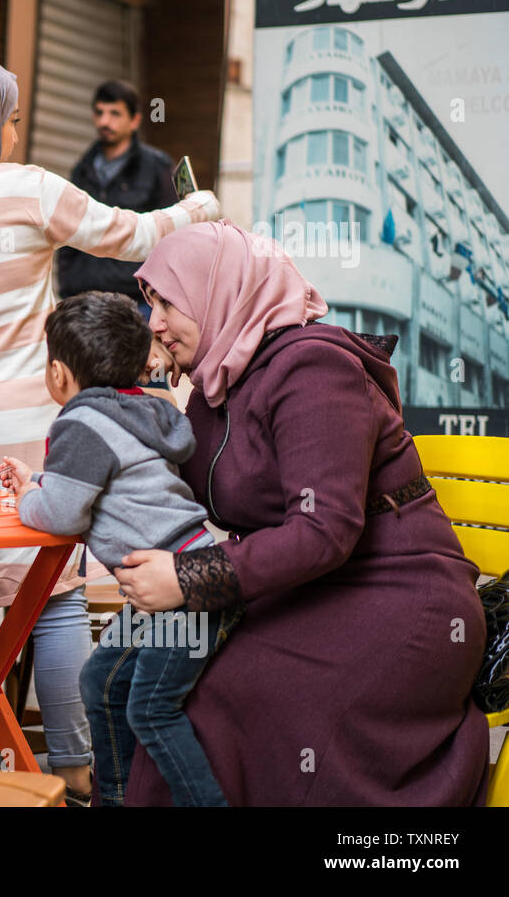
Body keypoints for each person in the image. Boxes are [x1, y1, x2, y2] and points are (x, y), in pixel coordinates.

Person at [0, 45, 220, 801]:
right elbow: (128, 234)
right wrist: (197, 209)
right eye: (7, 117)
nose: (13, 134)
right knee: (51, 593)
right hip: (34, 433)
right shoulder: (22, 190)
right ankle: (71, 767)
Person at [115, 219, 488, 805]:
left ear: (220, 292)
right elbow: (172, 486)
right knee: (152, 678)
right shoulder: (218, 383)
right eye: (151, 302)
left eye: (169, 302)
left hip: (398, 594)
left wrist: (186, 578)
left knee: (222, 690)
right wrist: (73, 468)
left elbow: (325, 529)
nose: (154, 322)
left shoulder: (313, 367)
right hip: (305, 589)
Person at [0, 291, 229, 807]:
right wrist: (37, 480)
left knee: (150, 709)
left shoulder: (80, 422)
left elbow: (61, 515)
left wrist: (26, 498)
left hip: (182, 592)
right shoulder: (143, 409)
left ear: (58, 373)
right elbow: (108, 481)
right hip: (191, 568)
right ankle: (116, 798)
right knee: (101, 680)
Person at [54, 79, 178, 304]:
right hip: (84, 299)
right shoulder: (83, 169)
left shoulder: (156, 167)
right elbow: (67, 232)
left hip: (136, 302)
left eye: (115, 113)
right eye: (99, 112)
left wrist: (159, 295)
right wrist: (67, 283)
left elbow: (172, 234)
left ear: (135, 120)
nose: (104, 121)